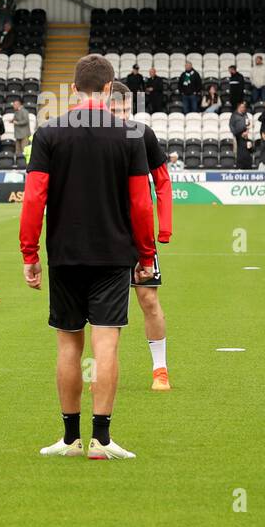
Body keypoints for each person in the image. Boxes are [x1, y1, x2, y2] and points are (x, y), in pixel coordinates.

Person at [21, 54, 156, 459]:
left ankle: (68, 439)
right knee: (107, 343)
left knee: (68, 345)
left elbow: (33, 199)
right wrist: (146, 253)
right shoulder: (130, 133)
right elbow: (141, 204)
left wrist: (30, 253)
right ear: (109, 85)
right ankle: (101, 440)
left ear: (75, 87)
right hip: (114, 254)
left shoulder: (48, 133)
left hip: (64, 254)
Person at [109, 82, 175, 392]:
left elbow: (162, 180)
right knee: (105, 305)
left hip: (138, 233)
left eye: (124, 109)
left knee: (148, 299)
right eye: (114, 110)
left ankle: (160, 369)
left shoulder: (143, 134)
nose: (120, 115)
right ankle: (104, 371)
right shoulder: (93, 137)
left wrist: (164, 228)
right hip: (104, 232)